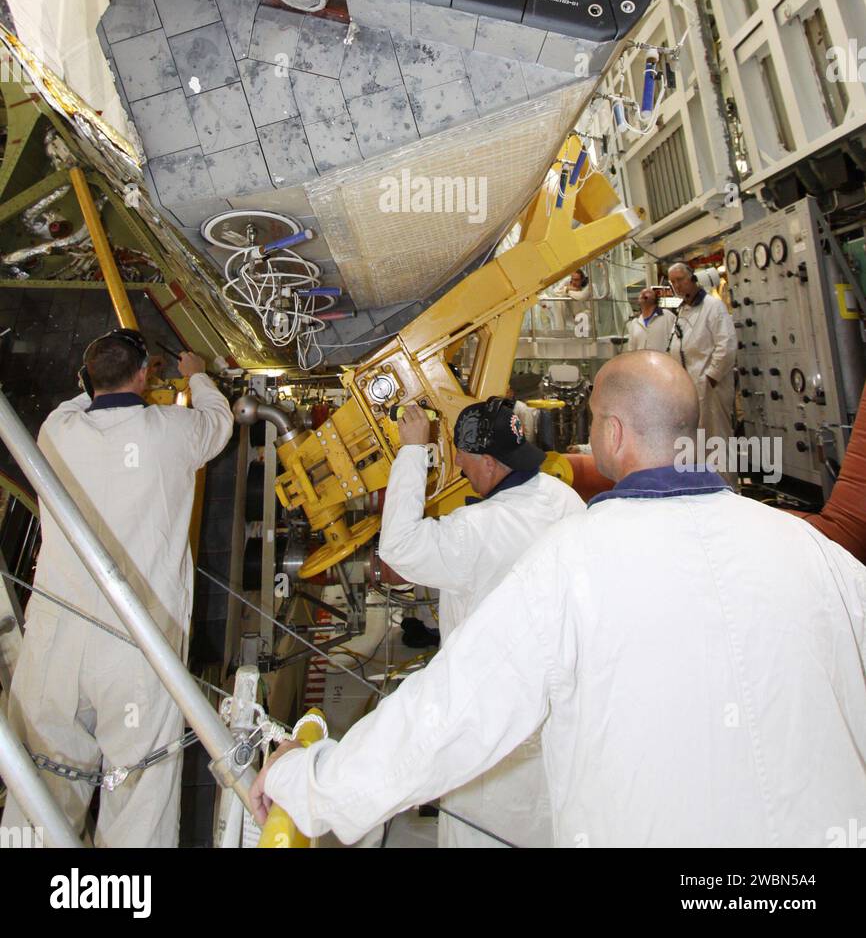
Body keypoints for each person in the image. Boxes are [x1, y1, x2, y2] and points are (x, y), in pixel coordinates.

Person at [251, 351, 866, 849]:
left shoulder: (573, 562)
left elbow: (447, 714)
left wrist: (309, 785)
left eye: (594, 417)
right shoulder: (814, 554)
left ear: (614, 432)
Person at [1, 329, 234, 847]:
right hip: (135, 643)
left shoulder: (55, 432)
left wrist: (103, 374)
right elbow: (220, 423)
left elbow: (85, 394)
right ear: (146, 373)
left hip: (56, 642)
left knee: (40, 792)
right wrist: (197, 375)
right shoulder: (170, 432)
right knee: (140, 793)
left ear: (87, 380)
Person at [375, 396, 581, 846]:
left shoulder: (475, 530)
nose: (460, 467)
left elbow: (398, 548)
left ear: (488, 462)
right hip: (554, 719)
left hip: (487, 733)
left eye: (463, 457)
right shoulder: (565, 501)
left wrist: (413, 451)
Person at [667, 261, 737, 454]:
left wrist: (711, 378)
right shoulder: (683, 310)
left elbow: (727, 344)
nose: (677, 285)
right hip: (690, 386)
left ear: (693, 279)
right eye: (673, 282)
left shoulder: (713, 306)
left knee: (716, 440)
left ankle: (724, 483)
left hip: (710, 386)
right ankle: (704, 484)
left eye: (680, 280)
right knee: (697, 443)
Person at [625, 286, 675, 353]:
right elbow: (631, 349)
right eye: (641, 294)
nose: (643, 294)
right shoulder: (635, 323)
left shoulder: (667, 315)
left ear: (655, 298)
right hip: (641, 362)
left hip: (663, 361)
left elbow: (677, 341)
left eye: (647, 292)